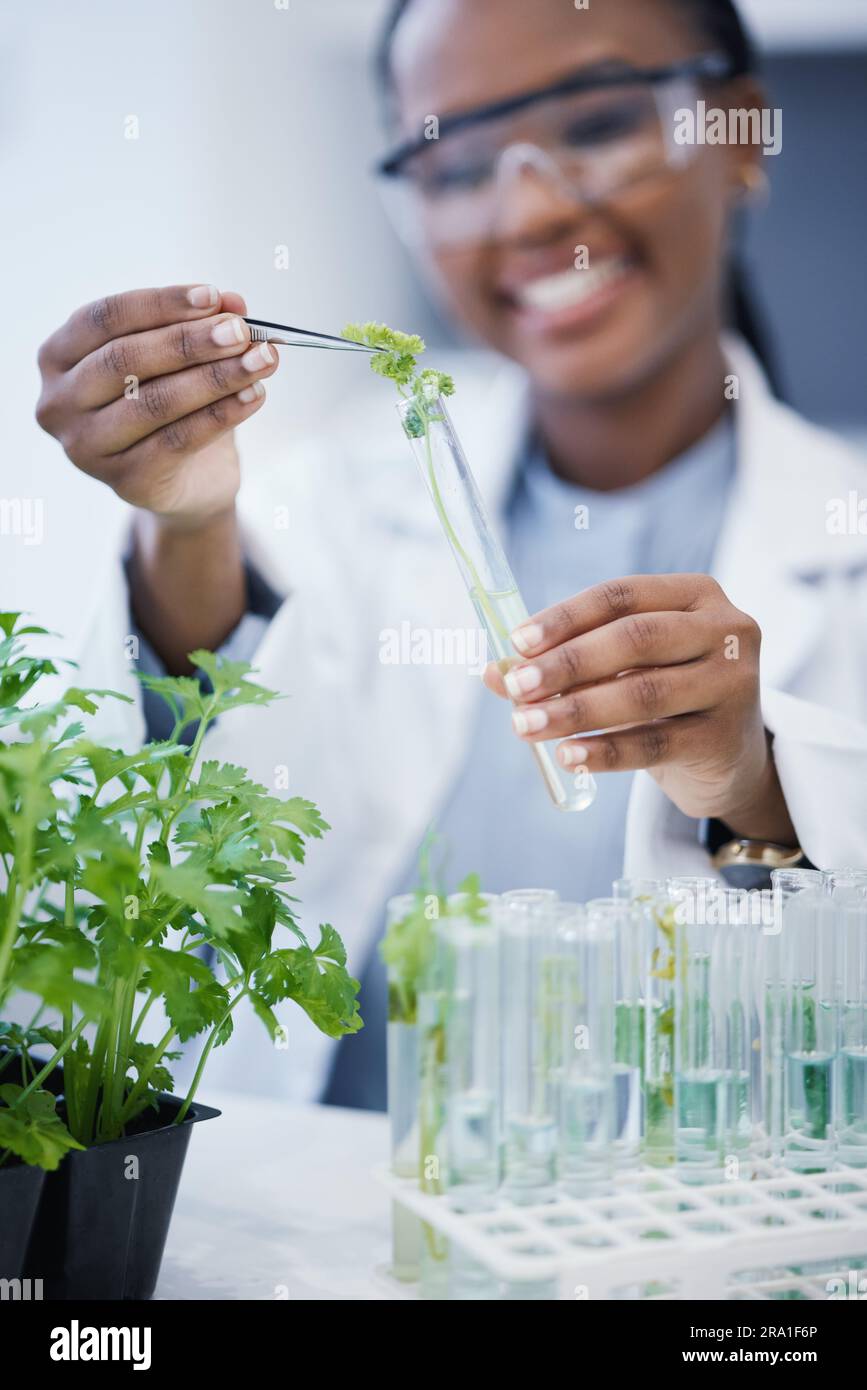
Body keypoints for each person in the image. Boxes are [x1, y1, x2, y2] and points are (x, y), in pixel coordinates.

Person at [34, 0, 867, 1108]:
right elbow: (171, 788)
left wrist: (754, 789)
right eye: (456, 166)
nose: (527, 209)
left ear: (741, 133)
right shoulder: (331, 497)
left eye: (596, 125)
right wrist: (183, 522)